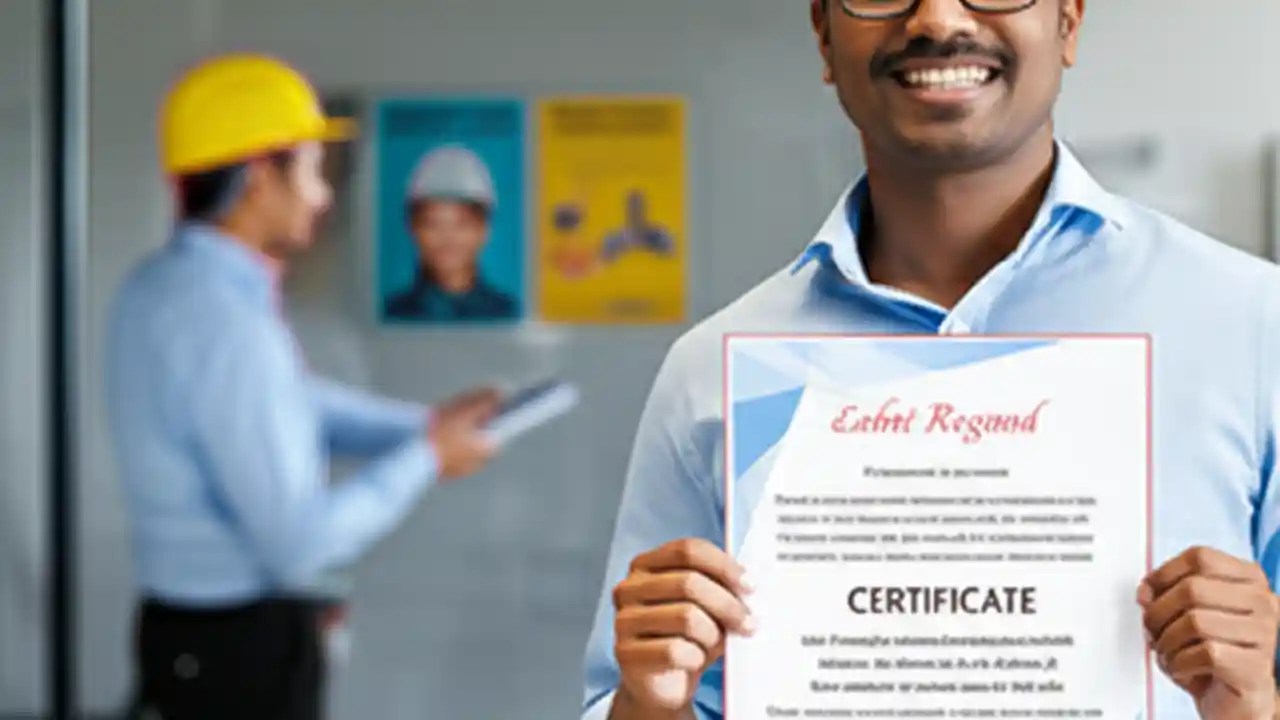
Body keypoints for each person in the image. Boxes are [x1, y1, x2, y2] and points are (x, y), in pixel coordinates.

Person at [581, 1, 1280, 719]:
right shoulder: (709, 373)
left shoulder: (1257, 328)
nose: (938, 17)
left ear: (1069, 21)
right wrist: (647, 705)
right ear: (823, 34)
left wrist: (1254, 703)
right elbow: (649, 698)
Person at [105, 53, 504, 720]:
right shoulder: (222, 322)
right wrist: (430, 457)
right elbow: (300, 546)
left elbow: (290, 402)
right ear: (261, 177)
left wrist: (417, 426)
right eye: (313, 171)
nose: (321, 196)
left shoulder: (170, 287)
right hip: (235, 654)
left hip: (194, 639)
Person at [382, 144, 519, 322]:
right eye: (433, 223)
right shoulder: (392, 315)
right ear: (412, 228)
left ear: (484, 230)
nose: (448, 238)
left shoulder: (508, 315)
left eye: (461, 224)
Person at [600, 190, 676, 264]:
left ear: (646, 209)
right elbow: (605, 263)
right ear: (626, 211)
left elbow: (671, 259)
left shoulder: (661, 236)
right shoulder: (612, 240)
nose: (636, 212)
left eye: (639, 207)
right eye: (632, 208)